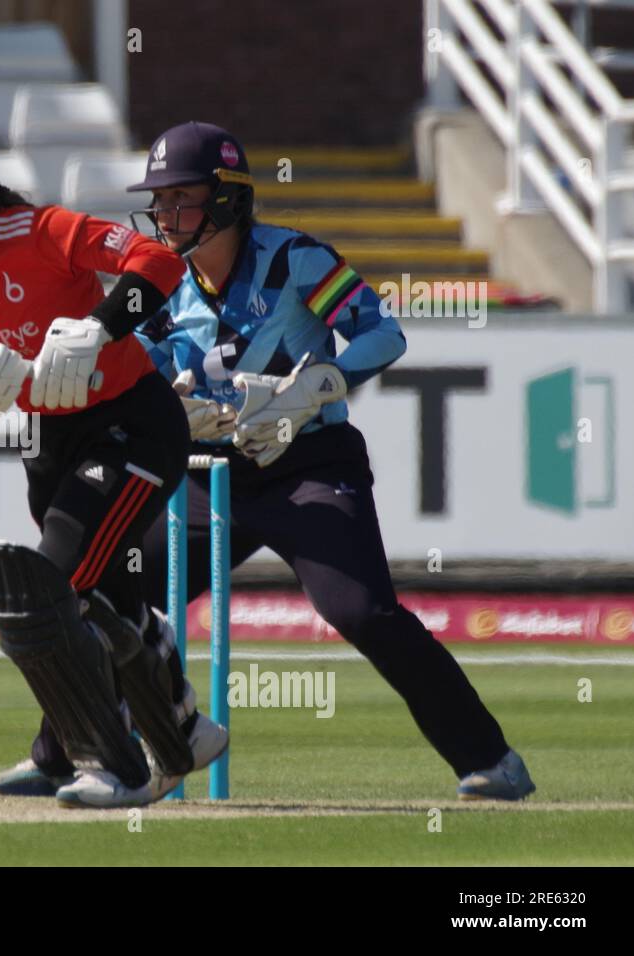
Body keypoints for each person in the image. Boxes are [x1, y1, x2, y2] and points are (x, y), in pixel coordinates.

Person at [129, 121, 534, 801]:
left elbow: (383, 333)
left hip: (308, 464)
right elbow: (135, 365)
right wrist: (166, 402)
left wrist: (325, 382)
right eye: (159, 200)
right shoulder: (159, 278)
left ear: (227, 199)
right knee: (113, 594)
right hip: (211, 471)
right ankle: (72, 756)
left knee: (364, 612)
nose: (165, 215)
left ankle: (492, 760)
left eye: (182, 198)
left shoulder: (296, 260)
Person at [0, 113, 228, 808]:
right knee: (103, 597)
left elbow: (159, 261)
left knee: (50, 588)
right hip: (48, 443)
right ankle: (180, 727)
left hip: (131, 427)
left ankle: (113, 765)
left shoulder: (45, 231)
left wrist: (98, 329)